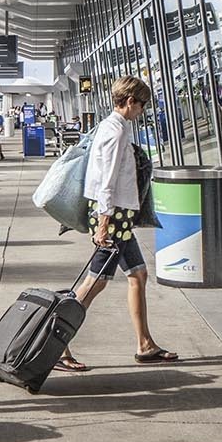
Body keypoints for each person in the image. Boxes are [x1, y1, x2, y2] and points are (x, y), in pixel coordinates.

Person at [57, 76, 179, 372]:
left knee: (138, 275)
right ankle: (56, 345)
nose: (142, 110)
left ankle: (145, 345)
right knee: (94, 283)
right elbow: (107, 181)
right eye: (142, 104)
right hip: (113, 218)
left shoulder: (112, 126)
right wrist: (103, 223)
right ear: (130, 101)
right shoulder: (116, 131)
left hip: (119, 217)